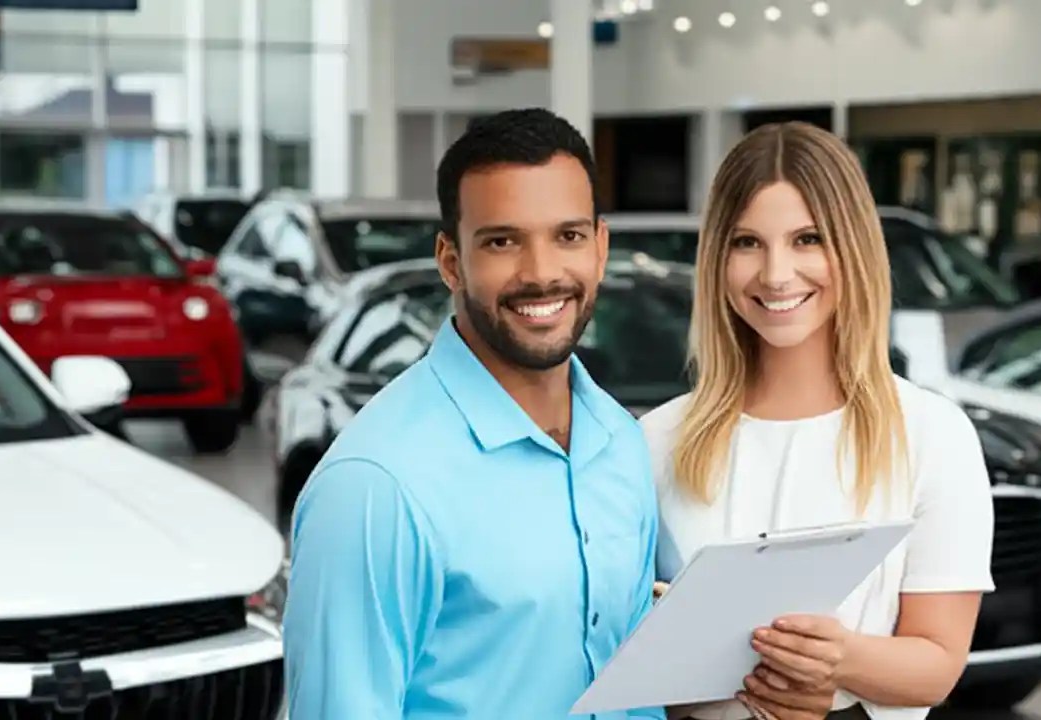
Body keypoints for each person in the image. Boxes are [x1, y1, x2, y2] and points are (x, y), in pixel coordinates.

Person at [283, 108, 665, 720]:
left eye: (567, 236)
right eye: (502, 241)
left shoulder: (619, 441)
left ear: (600, 248)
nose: (541, 274)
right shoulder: (375, 486)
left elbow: (633, 694)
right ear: (451, 260)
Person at [641, 122, 995, 720]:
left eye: (807, 239)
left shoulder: (932, 435)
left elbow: (938, 663)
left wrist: (839, 662)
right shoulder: (656, 441)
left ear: (852, 248)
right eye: (748, 242)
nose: (776, 274)